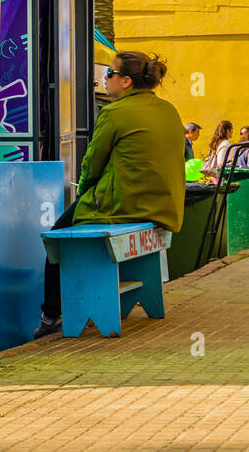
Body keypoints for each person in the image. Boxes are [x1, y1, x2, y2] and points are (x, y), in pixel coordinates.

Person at [34, 52, 185, 339]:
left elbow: (91, 166)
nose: (104, 79)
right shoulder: (169, 110)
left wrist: (84, 188)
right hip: (164, 207)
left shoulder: (113, 113)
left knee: (56, 237)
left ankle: (51, 314)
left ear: (126, 81)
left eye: (110, 74)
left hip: (124, 206)